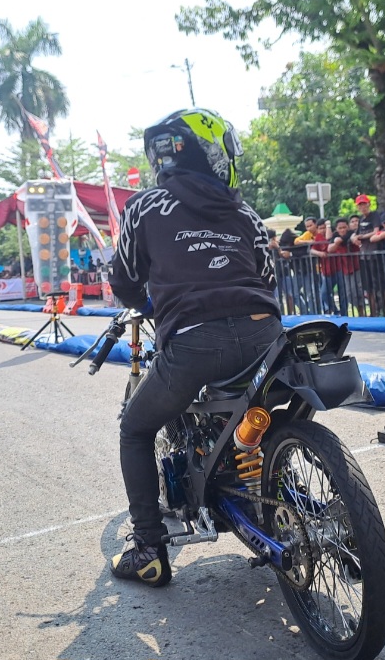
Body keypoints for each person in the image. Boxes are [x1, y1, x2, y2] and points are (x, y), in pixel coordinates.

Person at [108, 108, 282, 587]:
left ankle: (147, 547)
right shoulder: (246, 213)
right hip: (266, 336)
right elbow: (268, 278)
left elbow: (122, 280)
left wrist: (150, 304)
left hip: (192, 344)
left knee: (135, 430)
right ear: (216, 154)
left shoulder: (143, 206)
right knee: (264, 412)